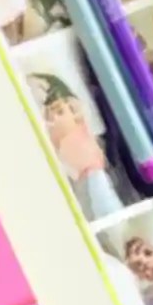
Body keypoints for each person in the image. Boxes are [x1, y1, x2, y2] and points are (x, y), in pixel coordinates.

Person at [29, 73, 124, 217]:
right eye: (49, 115)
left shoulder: (79, 124)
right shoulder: (55, 137)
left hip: (92, 177)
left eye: (59, 112)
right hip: (81, 181)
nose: (54, 119)